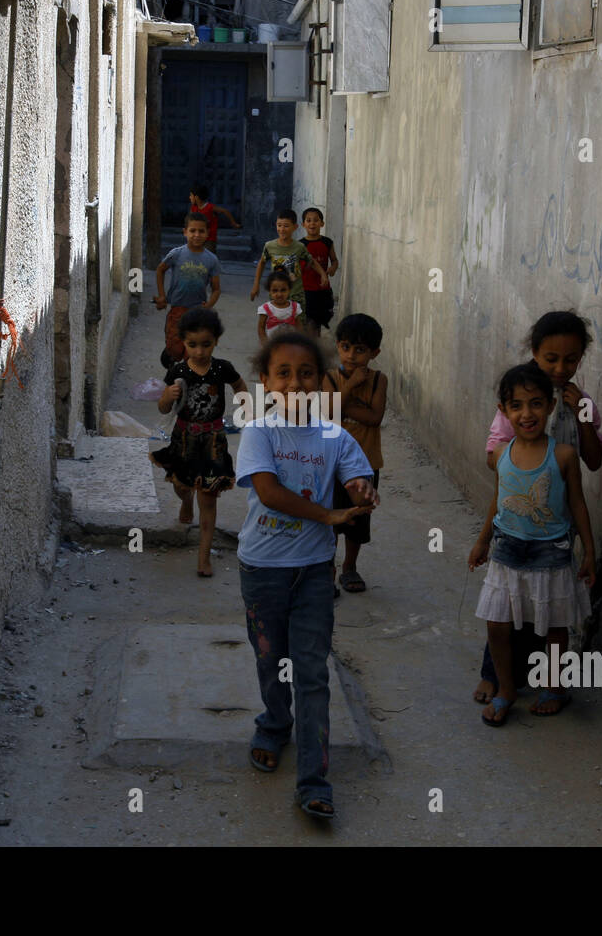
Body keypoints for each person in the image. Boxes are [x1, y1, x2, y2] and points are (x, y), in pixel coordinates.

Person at [235, 331, 377, 820]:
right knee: (271, 660)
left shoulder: (336, 436)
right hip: (262, 571)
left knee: (313, 673)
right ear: (265, 382)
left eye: (307, 374)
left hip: (315, 573)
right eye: (284, 374)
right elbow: (270, 493)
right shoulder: (259, 432)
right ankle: (274, 724)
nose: (296, 383)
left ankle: (314, 780)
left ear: (321, 382)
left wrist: (361, 491)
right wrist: (330, 517)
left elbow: (359, 478)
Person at [474, 310, 602, 708]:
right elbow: (493, 457)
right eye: (551, 359)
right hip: (514, 528)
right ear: (535, 352)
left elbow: (594, 460)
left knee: (549, 613)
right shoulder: (520, 399)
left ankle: (547, 683)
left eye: (570, 360)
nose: (560, 368)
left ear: (581, 359)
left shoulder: (577, 402)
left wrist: (581, 413)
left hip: (554, 533)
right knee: (504, 608)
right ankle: (495, 676)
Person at [150, 308, 248, 577]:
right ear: (183, 342)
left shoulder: (222, 368)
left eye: (206, 344)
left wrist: (245, 405)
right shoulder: (177, 372)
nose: (200, 351)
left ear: (216, 341)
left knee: (209, 497)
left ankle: (203, 557)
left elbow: (240, 385)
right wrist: (168, 396)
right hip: (183, 440)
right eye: (192, 345)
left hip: (213, 442)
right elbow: (162, 408)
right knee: (182, 487)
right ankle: (185, 501)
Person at [321, 314, 386, 595]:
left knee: (358, 518)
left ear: (374, 353)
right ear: (338, 346)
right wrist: (349, 388)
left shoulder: (379, 380)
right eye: (346, 347)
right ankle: (327, 571)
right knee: (332, 519)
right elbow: (328, 414)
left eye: (360, 350)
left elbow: (374, 417)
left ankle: (349, 567)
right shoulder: (330, 377)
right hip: (332, 463)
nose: (352, 355)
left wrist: (342, 405)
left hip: (366, 463)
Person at [154, 212, 221, 369]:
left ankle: (185, 376)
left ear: (207, 233)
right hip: (177, 309)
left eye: (201, 231)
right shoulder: (177, 254)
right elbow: (160, 270)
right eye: (192, 231)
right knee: (175, 348)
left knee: (192, 351)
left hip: (197, 311)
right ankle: (171, 354)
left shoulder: (211, 260)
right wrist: (162, 296)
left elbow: (216, 289)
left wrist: (208, 305)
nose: (196, 235)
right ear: (185, 232)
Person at [249, 209, 329, 312]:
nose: (282, 229)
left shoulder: (299, 247)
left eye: (286, 226)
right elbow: (262, 262)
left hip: (296, 295)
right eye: (279, 225)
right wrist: (256, 284)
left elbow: (311, 261)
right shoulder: (269, 246)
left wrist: (323, 274)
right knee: (277, 323)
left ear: (295, 227)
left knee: (298, 325)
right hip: (276, 294)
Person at [300, 207, 339, 336]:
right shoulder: (300, 245)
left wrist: (332, 269)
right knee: (306, 322)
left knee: (318, 323)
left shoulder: (327, 242)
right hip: (306, 290)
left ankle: (314, 346)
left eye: (316, 220)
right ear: (303, 224)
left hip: (323, 290)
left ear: (322, 223)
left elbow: (334, 260)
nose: (312, 223)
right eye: (308, 220)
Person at [189, 183, 240, 256]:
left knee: (209, 257)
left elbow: (225, 211)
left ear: (196, 197)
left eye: (191, 195)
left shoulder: (210, 208)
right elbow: (190, 219)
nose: (189, 197)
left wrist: (233, 223)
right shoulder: (193, 208)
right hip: (197, 238)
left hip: (209, 240)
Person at [257, 271, 303, 344]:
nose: (279, 294)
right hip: (272, 345)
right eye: (275, 291)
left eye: (283, 290)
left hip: (291, 345)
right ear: (269, 291)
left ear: (289, 290)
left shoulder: (295, 307)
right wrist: (265, 343)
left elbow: (299, 326)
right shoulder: (265, 308)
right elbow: (261, 328)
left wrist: (300, 341)